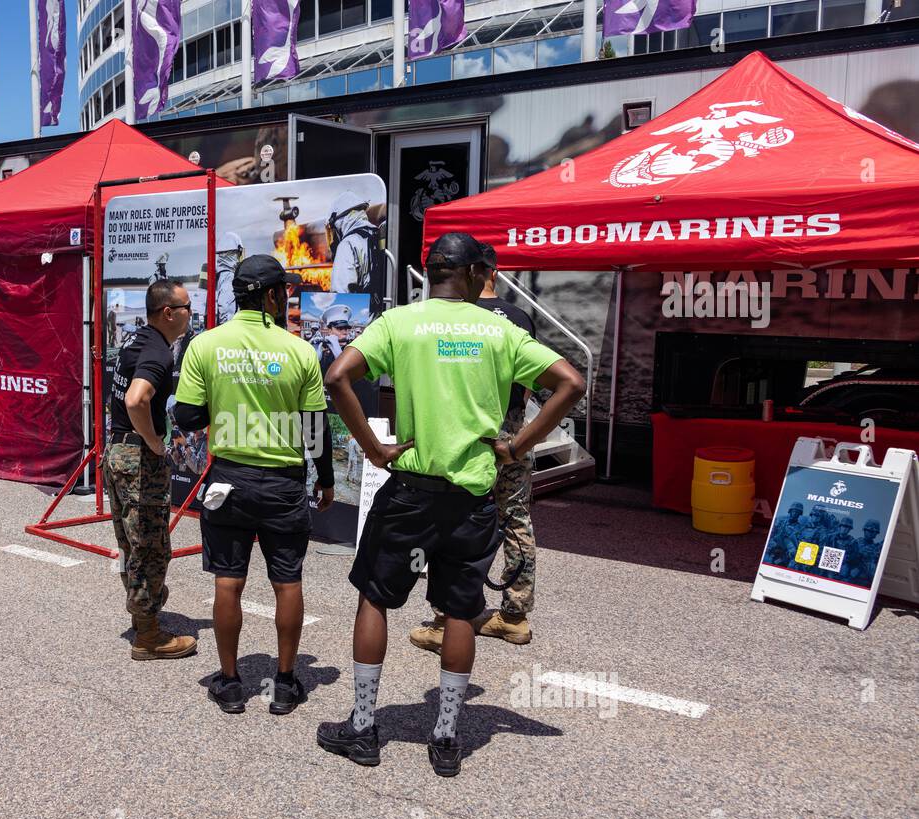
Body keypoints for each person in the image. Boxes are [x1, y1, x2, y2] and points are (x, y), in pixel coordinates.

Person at [315, 232, 585, 777]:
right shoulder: (500, 330)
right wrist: (517, 445)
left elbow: (337, 376)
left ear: (426, 269)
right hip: (472, 495)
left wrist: (373, 448)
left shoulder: (399, 323)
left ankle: (364, 729)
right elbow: (570, 381)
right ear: (475, 273)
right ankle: (445, 738)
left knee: (374, 597)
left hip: (410, 490)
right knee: (461, 610)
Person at [173, 254, 334, 716]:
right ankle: (284, 684)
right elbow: (314, 427)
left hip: (229, 481)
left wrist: (221, 412)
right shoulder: (299, 350)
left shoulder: (206, 345)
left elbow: (185, 415)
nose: (286, 297)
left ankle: (228, 683)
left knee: (228, 582)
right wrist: (324, 481)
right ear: (270, 296)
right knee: (287, 582)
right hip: (284, 483)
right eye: (283, 290)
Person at [409, 247, 543, 651]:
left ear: (466, 273)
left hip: (463, 432)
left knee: (452, 520)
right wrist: (519, 440)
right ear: (494, 274)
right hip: (510, 433)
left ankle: (445, 618)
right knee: (516, 518)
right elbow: (542, 383)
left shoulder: (455, 318)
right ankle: (515, 616)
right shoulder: (519, 319)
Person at [103, 278, 198, 662]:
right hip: (137, 457)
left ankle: (144, 609)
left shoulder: (138, 338)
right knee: (151, 546)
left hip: (118, 452)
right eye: (188, 307)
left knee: (133, 541)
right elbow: (136, 398)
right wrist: (156, 442)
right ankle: (148, 635)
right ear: (168, 313)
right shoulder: (159, 352)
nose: (192, 314)